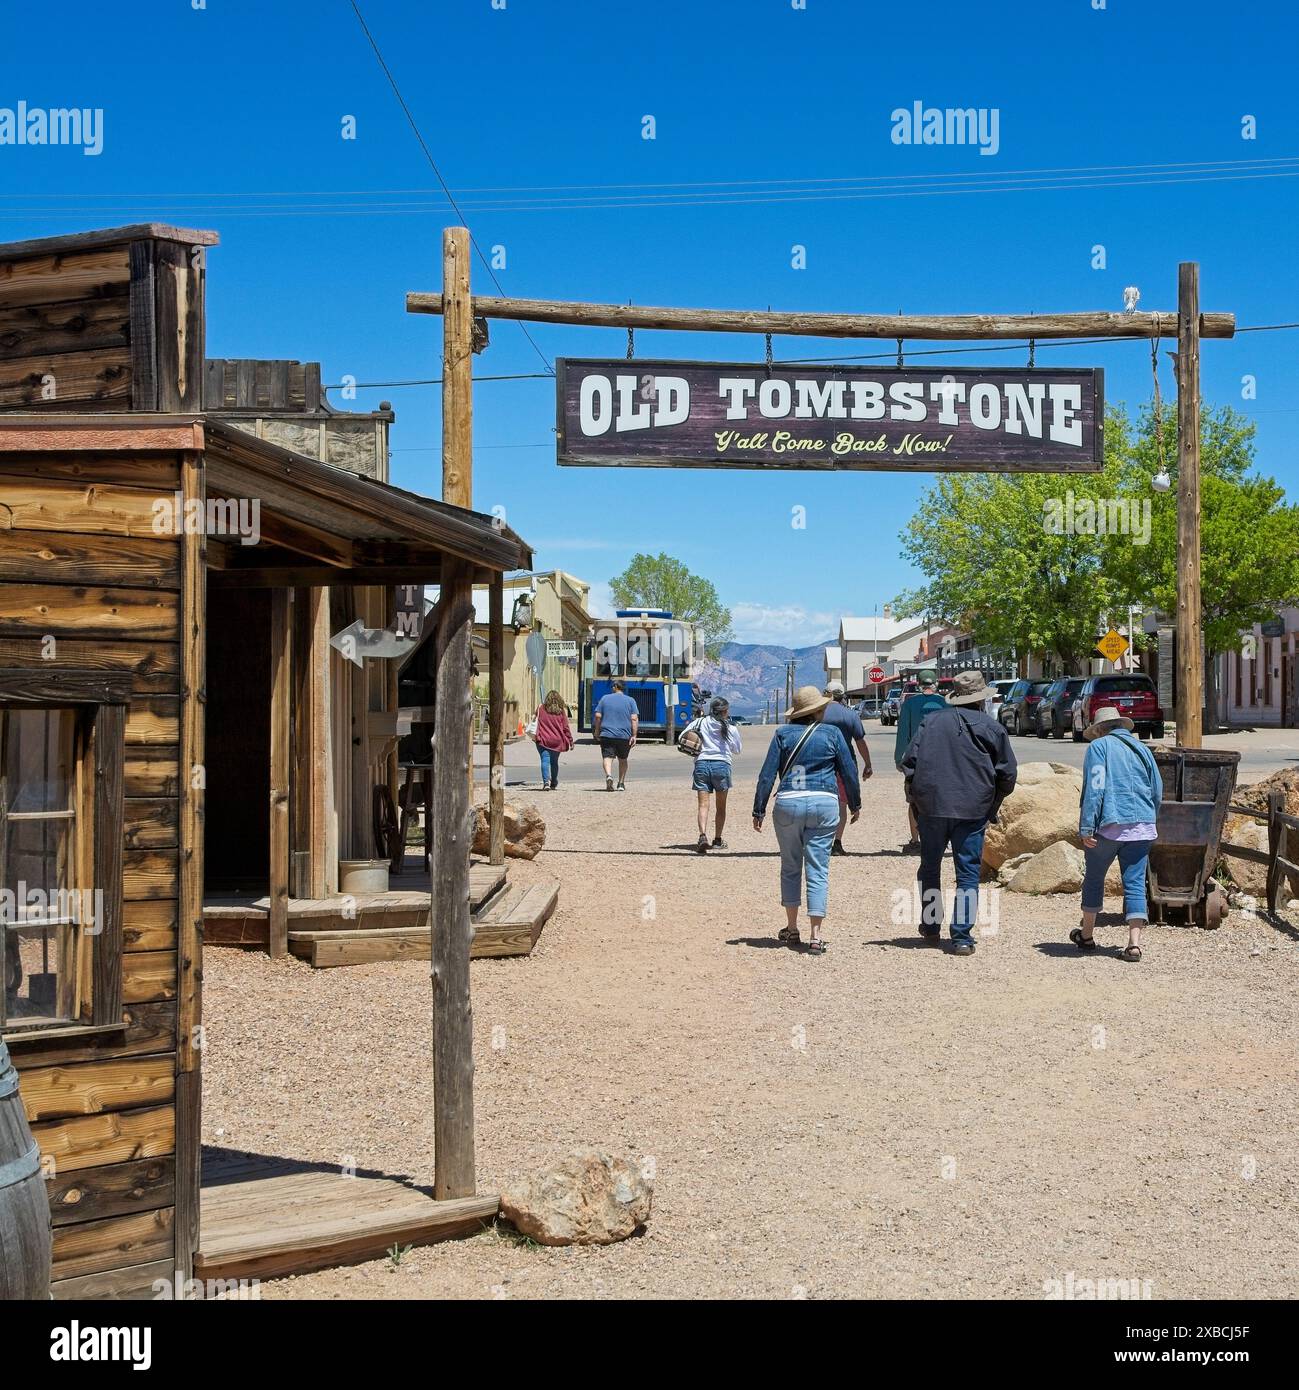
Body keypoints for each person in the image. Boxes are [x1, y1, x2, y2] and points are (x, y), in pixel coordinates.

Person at [900, 669, 1017, 956]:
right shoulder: (992, 728)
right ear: (981, 700)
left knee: (930, 866)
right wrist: (993, 803)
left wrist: (915, 800)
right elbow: (1008, 774)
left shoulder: (930, 722)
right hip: (973, 809)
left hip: (932, 807)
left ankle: (930, 926)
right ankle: (962, 936)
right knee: (967, 872)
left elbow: (909, 763)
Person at [752, 685, 860, 954]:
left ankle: (791, 928)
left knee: (790, 866)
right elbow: (848, 771)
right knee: (818, 868)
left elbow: (767, 775)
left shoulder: (782, 734)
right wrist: (856, 803)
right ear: (819, 710)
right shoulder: (832, 733)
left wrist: (759, 809)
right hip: (824, 801)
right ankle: (816, 935)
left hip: (788, 802)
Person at [1071, 705, 1163, 963]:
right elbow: (1157, 789)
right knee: (1134, 883)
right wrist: (1150, 817)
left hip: (1109, 826)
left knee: (1094, 878)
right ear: (1122, 726)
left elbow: (1095, 788)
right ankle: (1134, 945)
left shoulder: (1099, 748)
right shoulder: (1143, 749)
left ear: (1099, 729)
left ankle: (1087, 935)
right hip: (1142, 825)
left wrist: (1087, 826)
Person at [893, 672, 947, 855]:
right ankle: (937, 839)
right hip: (941, 759)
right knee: (939, 799)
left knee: (914, 800)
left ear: (918, 685)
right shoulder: (945, 703)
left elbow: (903, 735)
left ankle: (915, 841)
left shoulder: (909, 704)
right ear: (936, 684)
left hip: (915, 759)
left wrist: (899, 759)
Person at [685, 696, 743, 852]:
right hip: (722, 765)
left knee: (703, 805)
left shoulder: (699, 722)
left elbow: (682, 737)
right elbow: (737, 750)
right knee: (721, 806)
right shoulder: (731, 728)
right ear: (725, 711)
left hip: (702, 764)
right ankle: (717, 839)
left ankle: (702, 835)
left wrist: (696, 744)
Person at [821, 681, 873, 854]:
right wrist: (868, 764)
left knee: (821, 803)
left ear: (825, 693)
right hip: (845, 764)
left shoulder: (816, 713)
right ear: (842, 696)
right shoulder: (850, 715)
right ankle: (837, 842)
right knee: (841, 804)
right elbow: (860, 742)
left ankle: (820, 841)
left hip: (820, 763)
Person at [592, 678, 639, 791]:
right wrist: (634, 735)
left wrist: (597, 731)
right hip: (624, 736)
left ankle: (609, 775)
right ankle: (621, 784)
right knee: (623, 759)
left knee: (607, 757)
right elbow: (634, 719)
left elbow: (598, 716)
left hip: (607, 734)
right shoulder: (630, 700)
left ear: (615, 687)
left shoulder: (604, 699)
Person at [532, 689, 574, 790]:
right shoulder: (561, 711)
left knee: (545, 760)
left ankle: (546, 782)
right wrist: (570, 740)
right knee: (554, 762)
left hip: (543, 739)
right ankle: (554, 781)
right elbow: (565, 728)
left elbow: (534, 718)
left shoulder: (541, 708)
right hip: (557, 741)